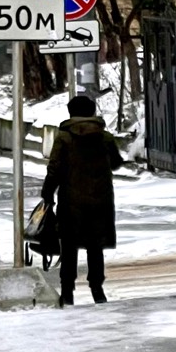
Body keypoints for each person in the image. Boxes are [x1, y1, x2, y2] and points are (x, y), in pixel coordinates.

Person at [41, 92, 124, 305]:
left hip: (71, 202)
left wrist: (48, 192)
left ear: (71, 113)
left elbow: (55, 169)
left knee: (68, 247)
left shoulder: (64, 138)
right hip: (100, 200)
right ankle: (97, 289)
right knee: (95, 247)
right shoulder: (105, 138)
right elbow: (115, 163)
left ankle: (67, 292)